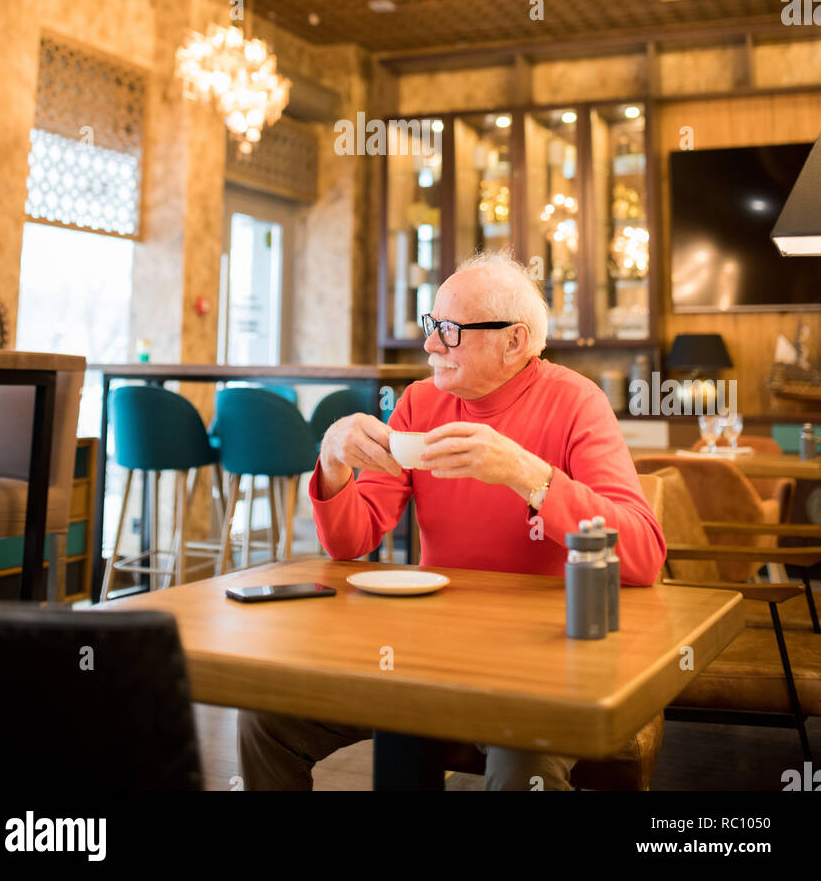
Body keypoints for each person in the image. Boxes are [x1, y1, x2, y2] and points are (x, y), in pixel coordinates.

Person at [238, 251, 666, 790]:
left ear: (513, 341)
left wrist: (526, 472)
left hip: (543, 658)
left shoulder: (577, 402)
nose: (430, 344)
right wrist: (331, 461)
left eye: (449, 329)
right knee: (264, 718)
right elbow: (351, 541)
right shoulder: (419, 403)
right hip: (427, 647)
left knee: (521, 769)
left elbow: (644, 554)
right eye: (430, 324)